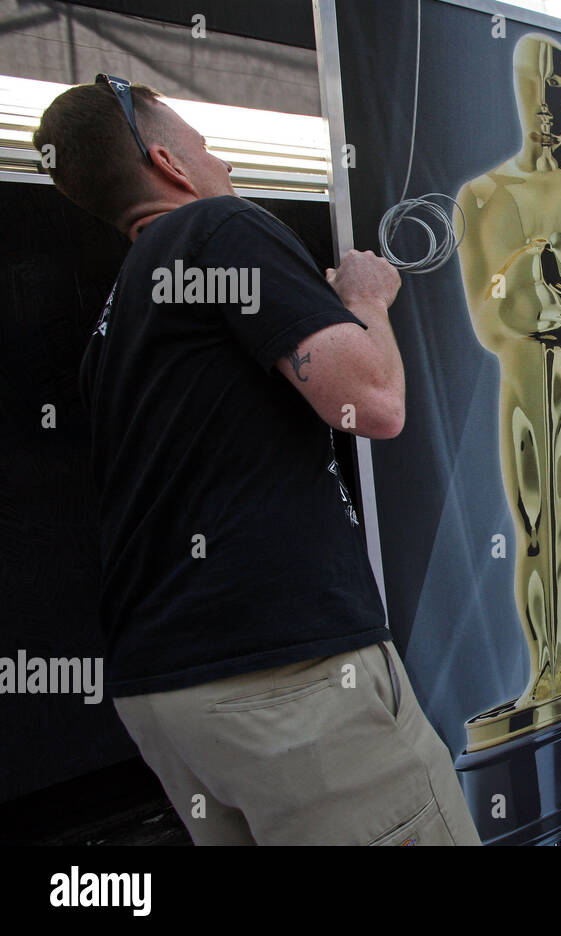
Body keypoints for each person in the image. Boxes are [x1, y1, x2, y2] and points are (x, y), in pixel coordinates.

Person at [33, 75, 479, 845]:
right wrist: (366, 301)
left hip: (168, 693)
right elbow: (371, 405)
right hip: (286, 682)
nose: (226, 166)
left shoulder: (115, 323)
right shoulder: (219, 227)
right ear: (170, 163)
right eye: (209, 149)